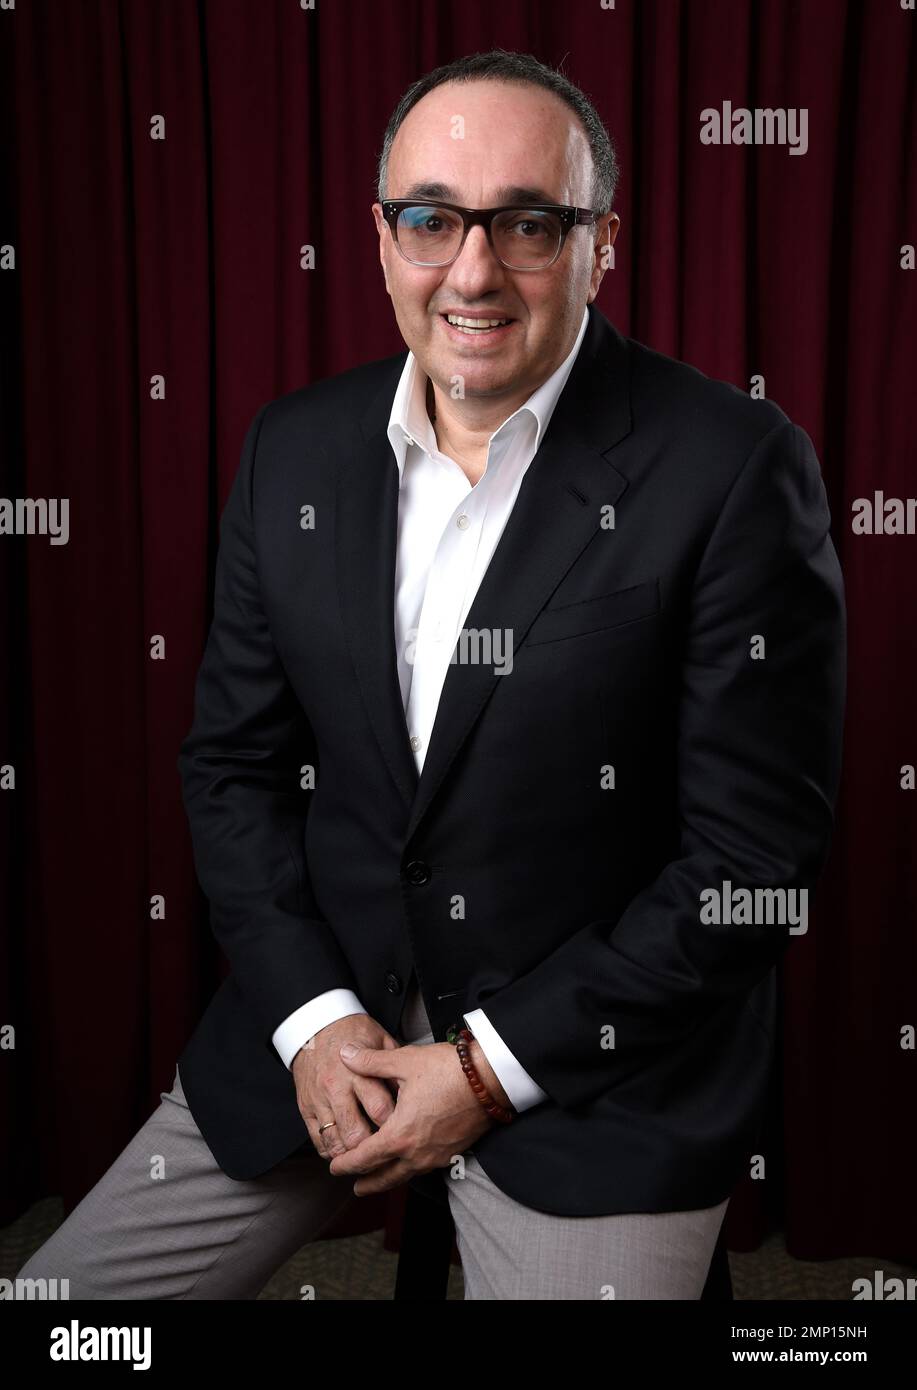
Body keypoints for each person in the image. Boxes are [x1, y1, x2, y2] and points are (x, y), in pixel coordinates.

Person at [17, 48, 846, 1300]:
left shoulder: (732, 465)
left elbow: (754, 859)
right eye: (430, 220)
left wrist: (481, 1068)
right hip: (327, 1022)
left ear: (599, 241)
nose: (471, 271)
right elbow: (232, 769)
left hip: (601, 1064)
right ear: (380, 234)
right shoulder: (290, 449)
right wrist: (312, 1020)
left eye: (525, 223)